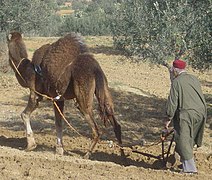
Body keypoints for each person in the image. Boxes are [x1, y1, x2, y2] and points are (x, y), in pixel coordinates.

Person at [164, 59, 207, 174]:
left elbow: (172, 103)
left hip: (187, 114)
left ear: (174, 70)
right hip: (201, 112)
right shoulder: (194, 78)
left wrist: (168, 119)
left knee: (183, 140)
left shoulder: (176, 82)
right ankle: (182, 161)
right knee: (190, 139)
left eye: (172, 70)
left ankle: (190, 169)